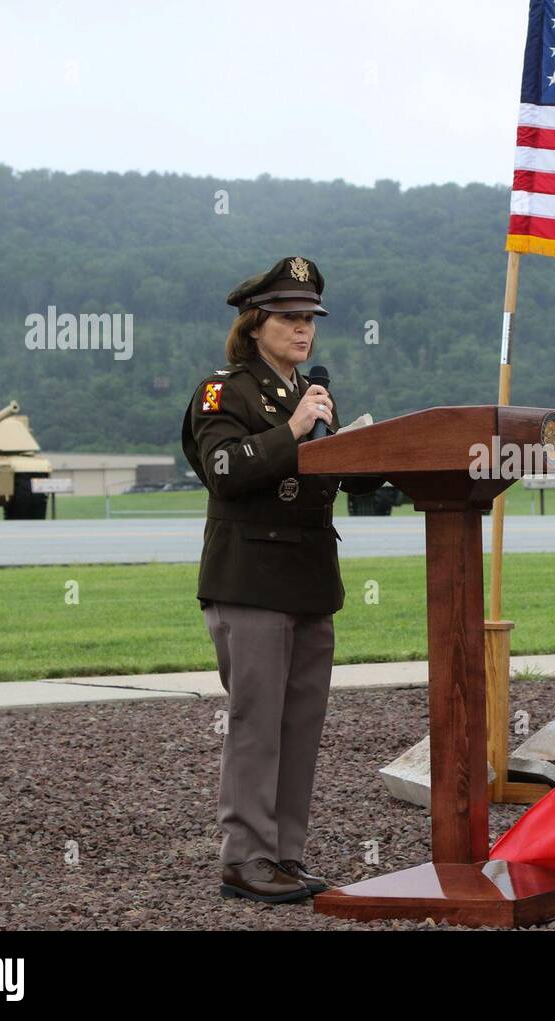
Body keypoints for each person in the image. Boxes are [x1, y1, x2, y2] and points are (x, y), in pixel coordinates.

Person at [181, 256, 383, 904]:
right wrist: (292, 432)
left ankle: (284, 855)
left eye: (310, 319)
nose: (304, 331)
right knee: (256, 723)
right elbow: (223, 468)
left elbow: (326, 481)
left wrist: (365, 453)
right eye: (291, 318)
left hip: (307, 582)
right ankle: (244, 858)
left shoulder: (312, 396)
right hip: (250, 583)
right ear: (256, 321)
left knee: (298, 726)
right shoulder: (225, 392)